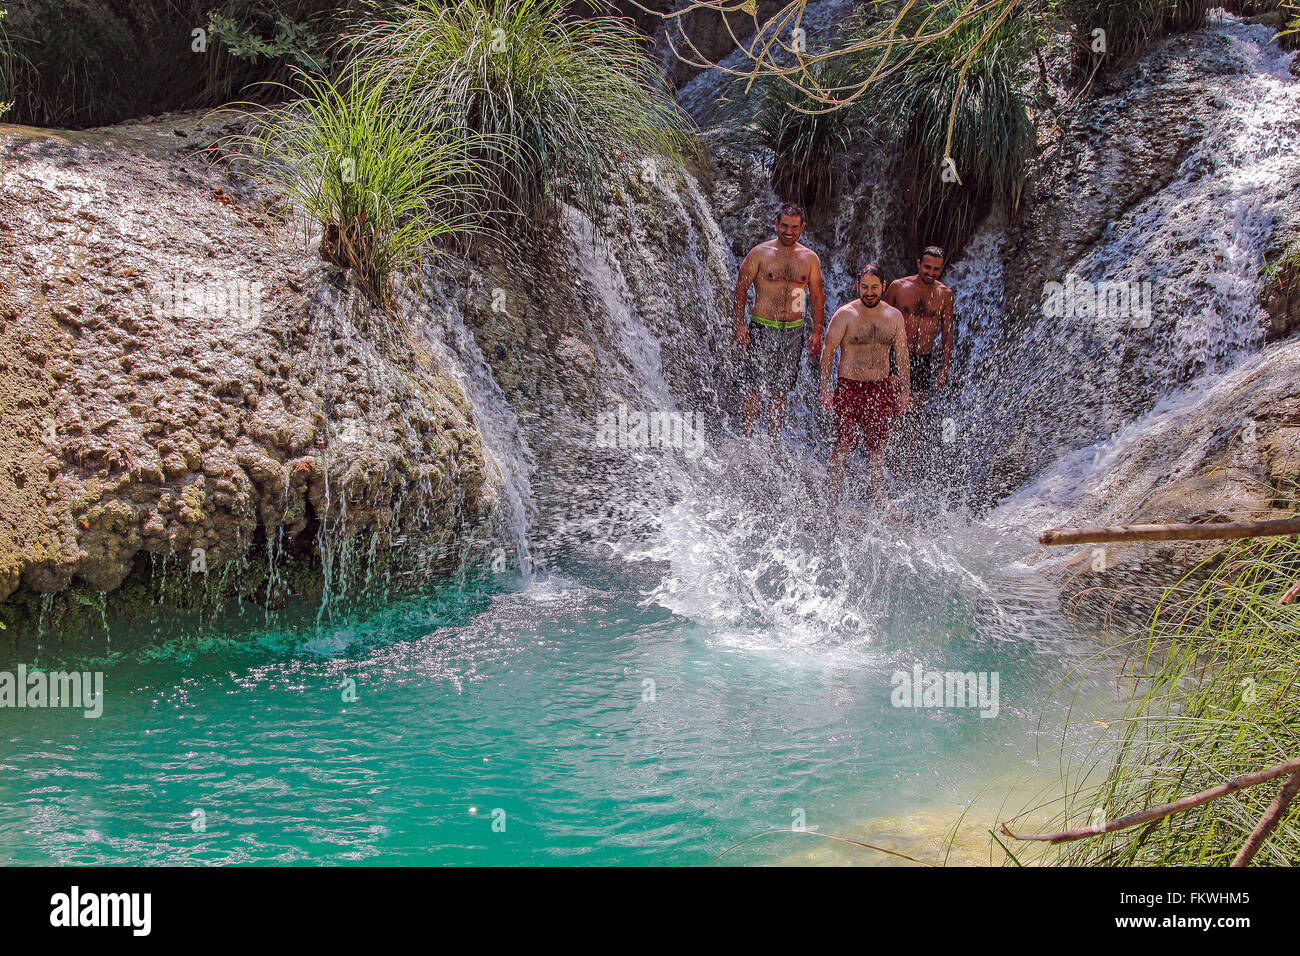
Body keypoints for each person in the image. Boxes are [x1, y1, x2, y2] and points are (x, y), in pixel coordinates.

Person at [732, 203, 825, 439]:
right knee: (755, 386)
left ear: (802, 228)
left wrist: (817, 332)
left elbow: (816, 295)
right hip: (763, 326)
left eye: (794, 227)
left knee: (781, 390)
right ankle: (747, 437)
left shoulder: (810, 259)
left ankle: (773, 442)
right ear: (776, 224)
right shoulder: (760, 253)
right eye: (784, 225)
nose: (788, 231)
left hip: (793, 330)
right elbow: (740, 289)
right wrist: (740, 324)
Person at [820, 265, 909, 505]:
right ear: (858, 286)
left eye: (874, 287)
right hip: (849, 387)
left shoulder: (893, 317)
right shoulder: (845, 315)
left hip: (880, 388)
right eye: (865, 287)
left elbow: (902, 355)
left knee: (877, 448)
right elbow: (827, 353)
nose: (869, 292)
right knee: (843, 443)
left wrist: (905, 393)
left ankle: (881, 502)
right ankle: (831, 501)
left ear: (883, 286)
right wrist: (825, 389)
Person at [883, 246, 954, 470]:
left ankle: (908, 464)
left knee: (915, 411)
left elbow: (947, 333)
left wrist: (945, 368)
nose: (930, 273)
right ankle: (889, 462)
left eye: (936, 269)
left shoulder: (945, 295)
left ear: (941, 269)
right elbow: (881, 322)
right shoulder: (898, 287)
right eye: (927, 267)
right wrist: (880, 359)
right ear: (918, 264)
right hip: (897, 354)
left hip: (923, 358)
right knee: (894, 408)